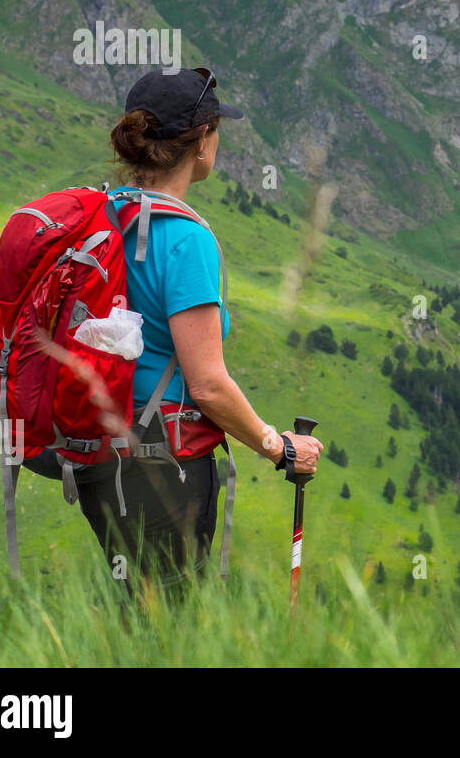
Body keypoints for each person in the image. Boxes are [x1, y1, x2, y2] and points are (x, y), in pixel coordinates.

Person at [79, 66, 322, 590]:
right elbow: (208, 384)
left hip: (98, 452)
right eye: (217, 130)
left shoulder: (101, 218)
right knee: (169, 627)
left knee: (139, 611)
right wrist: (280, 447)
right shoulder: (186, 240)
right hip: (165, 460)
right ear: (202, 140)